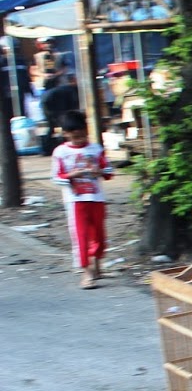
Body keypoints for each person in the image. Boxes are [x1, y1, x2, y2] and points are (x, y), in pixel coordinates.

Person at [51, 111, 112, 288]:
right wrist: (72, 175)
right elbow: (56, 177)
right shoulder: (60, 152)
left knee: (99, 235)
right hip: (75, 200)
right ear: (65, 134)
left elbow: (108, 171)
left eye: (82, 135)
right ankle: (86, 272)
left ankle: (97, 263)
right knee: (81, 236)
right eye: (74, 137)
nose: (78, 140)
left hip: (96, 198)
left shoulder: (95, 149)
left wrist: (98, 171)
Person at [39, 72, 80, 155]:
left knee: (52, 127)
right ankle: (60, 145)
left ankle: (46, 149)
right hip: (53, 105)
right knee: (63, 126)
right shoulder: (72, 90)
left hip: (47, 103)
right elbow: (72, 104)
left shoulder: (66, 89)